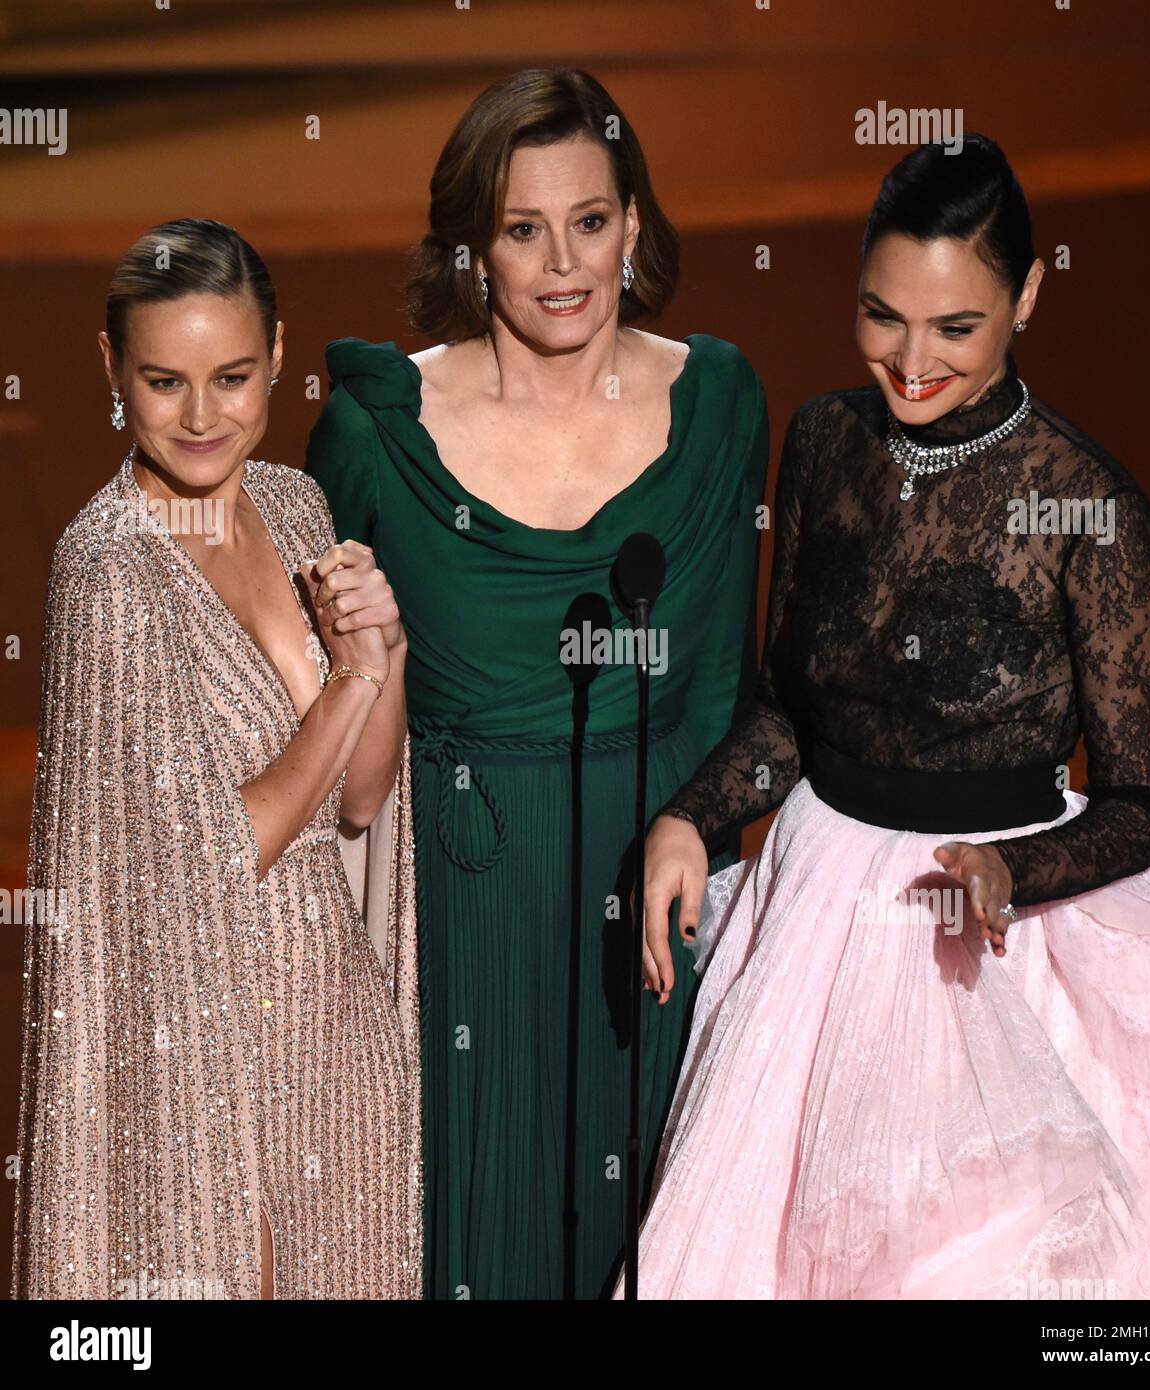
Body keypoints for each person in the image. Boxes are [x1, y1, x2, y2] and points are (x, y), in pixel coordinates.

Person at [618, 135, 1150, 1299]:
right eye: (882, 314)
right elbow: (791, 709)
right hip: (818, 914)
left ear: (1029, 295)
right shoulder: (824, 443)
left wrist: (1012, 871)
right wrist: (690, 819)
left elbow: (1144, 804)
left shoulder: (1092, 510)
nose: (911, 359)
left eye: (955, 326)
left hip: (998, 932)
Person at [306, 68, 768, 1299]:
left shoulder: (719, 404)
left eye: (592, 220)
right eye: (522, 229)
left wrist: (706, 859)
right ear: (473, 247)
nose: (564, 263)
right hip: (458, 935)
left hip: (658, 933)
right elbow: (317, 724)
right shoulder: (372, 432)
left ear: (634, 223)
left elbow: (726, 695)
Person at [12, 218, 423, 1300]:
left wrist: (380, 653)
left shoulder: (295, 507)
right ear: (112, 371)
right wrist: (349, 683)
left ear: (280, 354)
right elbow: (213, 849)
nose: (202, 417)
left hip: (335, 1026)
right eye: (164, 380)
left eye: (234, 376)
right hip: (202, 1049)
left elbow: (364, 799)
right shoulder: (108, 572)